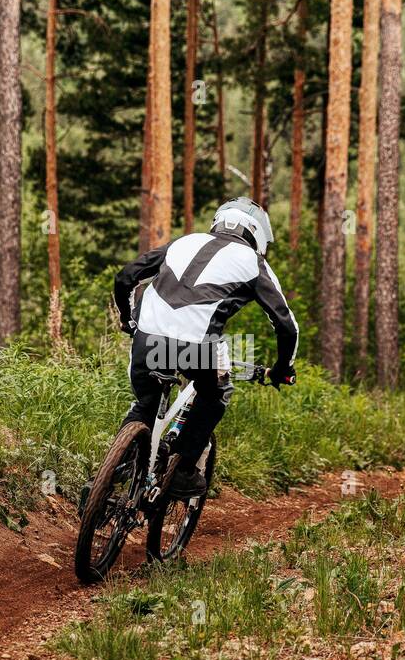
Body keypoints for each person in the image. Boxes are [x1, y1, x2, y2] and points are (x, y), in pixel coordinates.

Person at [113, 197, 298, 497]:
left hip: (146, 339)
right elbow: (286, 325)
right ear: (257, 235)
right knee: (216, 394)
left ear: (218, 221)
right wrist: (282, 368)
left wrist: (127, 321)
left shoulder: (184, 242)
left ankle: (108, 479)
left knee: (146, 404)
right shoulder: (254, 262)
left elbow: (125, 278)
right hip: (195, 348)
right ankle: (184, 470)